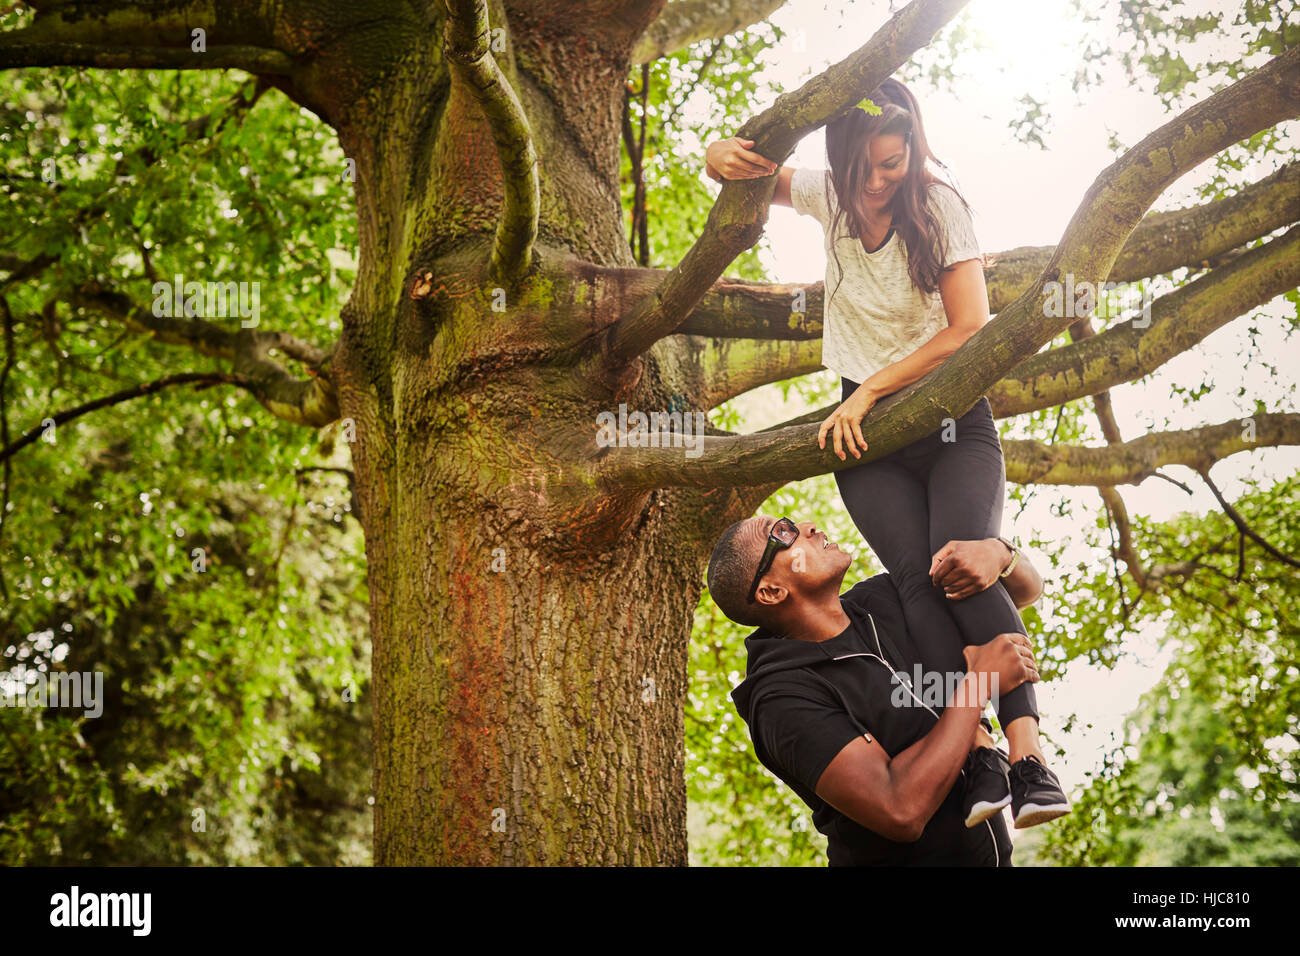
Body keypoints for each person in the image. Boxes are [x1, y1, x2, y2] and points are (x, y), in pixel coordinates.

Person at [704, 78, 1069, 828]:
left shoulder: (937, 203)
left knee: (960, 561)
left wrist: (868, 391)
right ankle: (977, 766)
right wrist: (716, 155)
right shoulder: (829, 194)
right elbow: (743, 172)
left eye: (893, 165)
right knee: (913, 583)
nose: (878, 182)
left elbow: (970, 326)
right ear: (842, 161)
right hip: (865, 440)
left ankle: (1029, 759)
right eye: (865, 168)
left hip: (945, 415)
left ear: (912, 153)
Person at [709, 515, 1053, 865]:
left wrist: (1001, 554)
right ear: (771, 591)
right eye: (783, 534)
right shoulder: (779, 699)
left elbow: (1017, 593)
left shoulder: (887, 596)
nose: (809, 527)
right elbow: (900, 809)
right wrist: (977, 684)